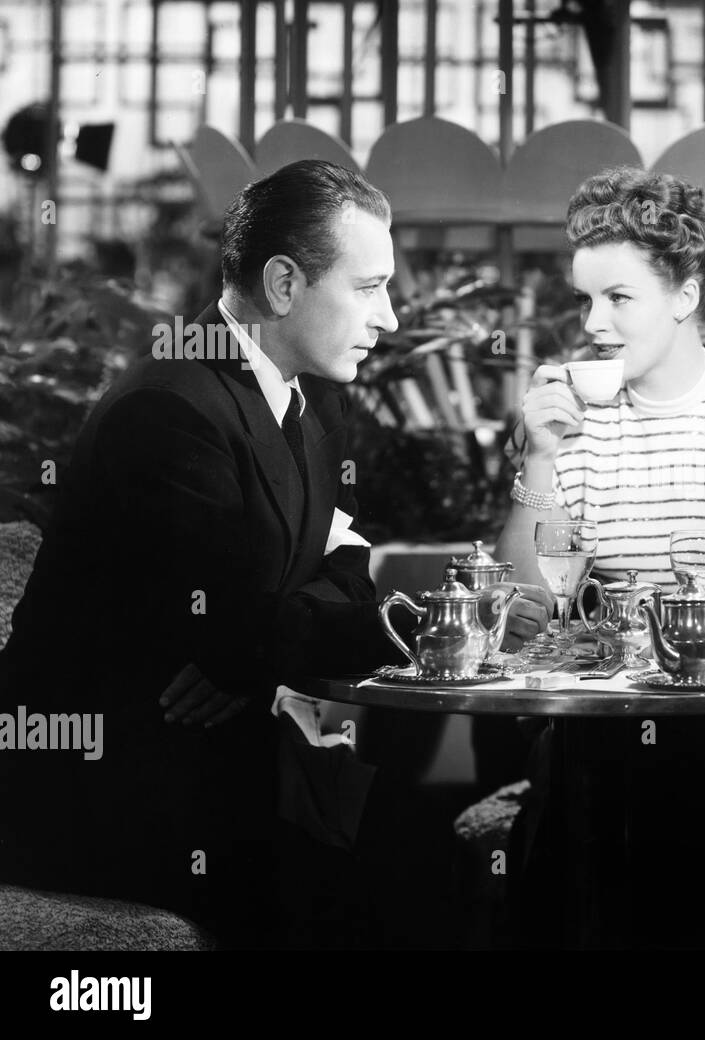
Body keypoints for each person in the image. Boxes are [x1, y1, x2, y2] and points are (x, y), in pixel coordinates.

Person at [0, 159, 552, 947]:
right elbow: (251, 625)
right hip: (111, 794)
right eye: (368, 288)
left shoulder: (305, 394)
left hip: (225, 758)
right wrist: (427, 620)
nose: (390, 319)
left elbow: (335, 564)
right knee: (402, 869)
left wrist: (253, 647)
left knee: (438, 827)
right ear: (285, 285)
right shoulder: (169, 410)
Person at [491, 167, 705, 946]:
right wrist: (542, 460)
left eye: (619, 298)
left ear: (684, 293)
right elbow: (524, 609)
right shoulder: (571, 423)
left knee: (615, 777)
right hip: (604, 718)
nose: (594, 323)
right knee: (592, 758)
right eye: (585, 300)